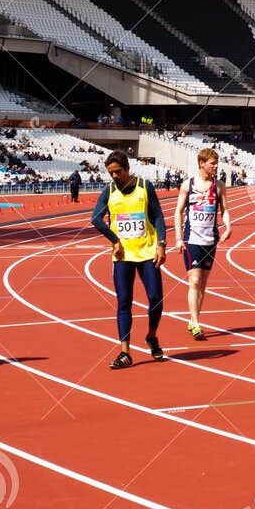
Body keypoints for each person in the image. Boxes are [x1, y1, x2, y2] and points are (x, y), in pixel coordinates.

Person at [92, 151, 168, 370]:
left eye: (117, 172)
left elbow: (158, 216)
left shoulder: (145, 187)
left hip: (147, 253)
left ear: (127, 168)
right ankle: (125, 352)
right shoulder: (109, 191)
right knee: (124, 301)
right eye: (110, 173)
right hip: (122, 256)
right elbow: (95, 218)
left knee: (156, 298)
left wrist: (161, 244)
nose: (114, 176)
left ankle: (151, 336)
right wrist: (114, 240)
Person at [173, 148, 230, 341]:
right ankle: (196, 323)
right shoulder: (187, 185)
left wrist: (228, 226)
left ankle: (193, 318)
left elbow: (225, 210)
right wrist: (179, 238)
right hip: (192, 239)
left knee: (203, 284)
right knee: (194, 281)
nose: (215, 166)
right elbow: (178, 212)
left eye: (216, 163)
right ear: (201, 163)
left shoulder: (219, 186)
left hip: (210, 239)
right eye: (212, 163)